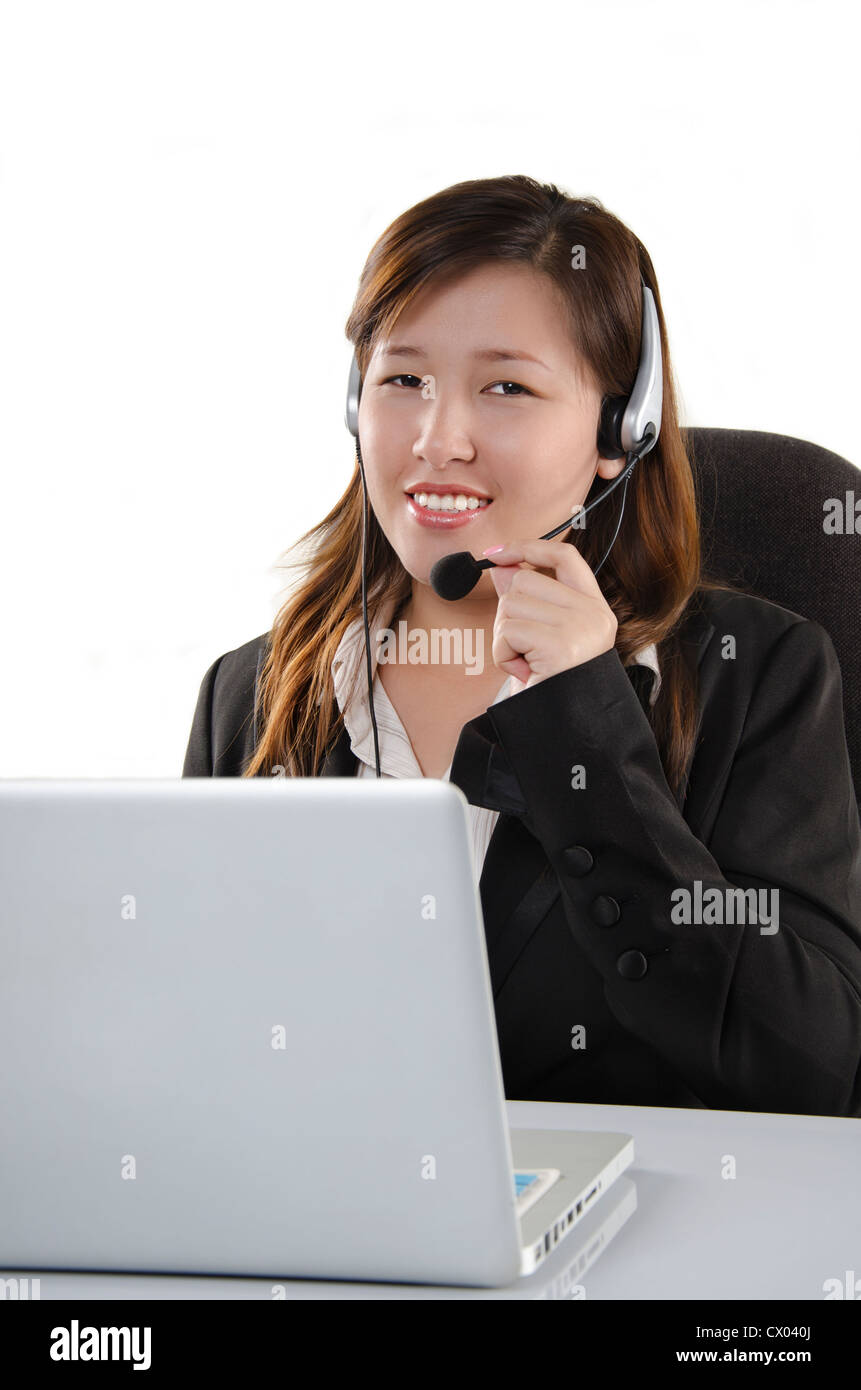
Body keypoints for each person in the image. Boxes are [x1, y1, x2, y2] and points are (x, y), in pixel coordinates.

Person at [183, 175, 861, 1118]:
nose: (436, 439)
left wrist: (587, 721)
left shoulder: (759, 675)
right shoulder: (258, 690)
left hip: (646, 1239)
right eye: (403, 379)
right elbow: (194, 1041)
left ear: (617, 431)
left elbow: (813, 1068)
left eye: (505, 386)